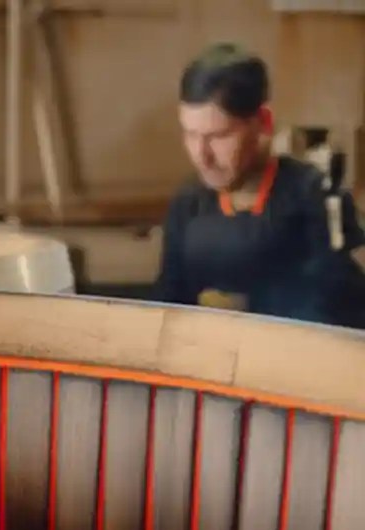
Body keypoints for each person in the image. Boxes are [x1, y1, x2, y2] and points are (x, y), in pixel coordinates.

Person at [153, 42, 365, 329]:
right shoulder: (187, 204)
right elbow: (168, 306)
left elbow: (338, 308)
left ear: (263, 122)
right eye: (191, 135)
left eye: (219, 136)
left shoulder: (314, 197)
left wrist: (247, 308)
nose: (202, 156)